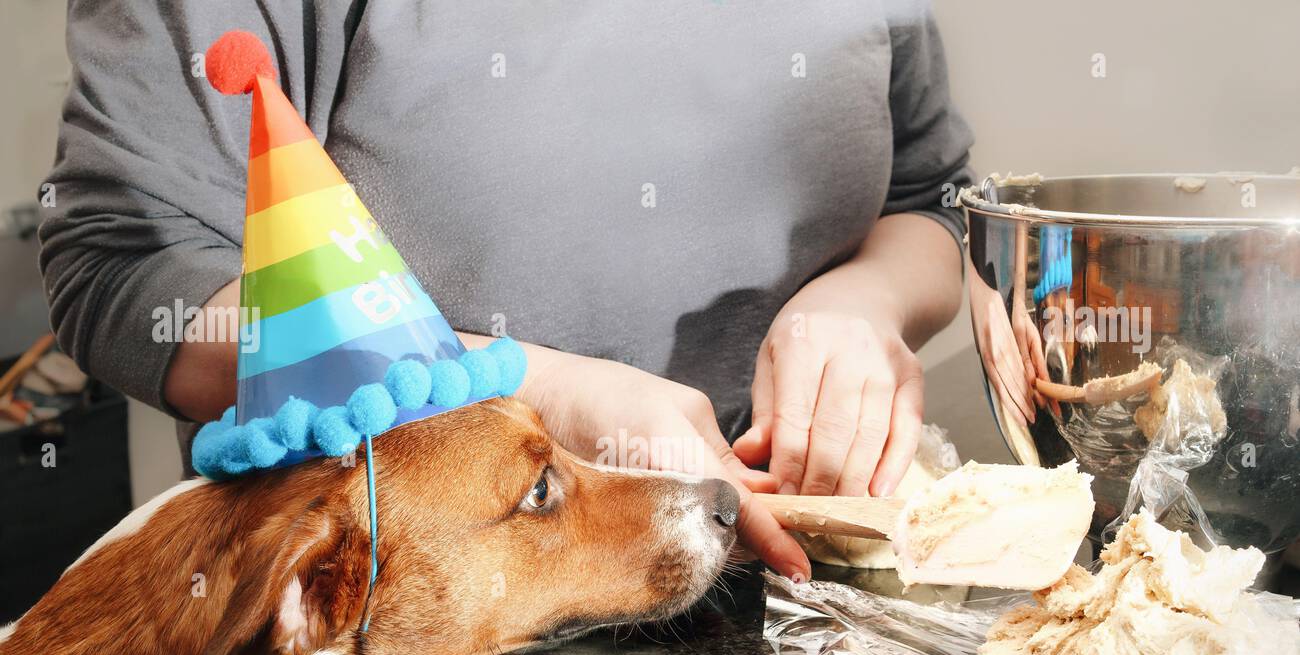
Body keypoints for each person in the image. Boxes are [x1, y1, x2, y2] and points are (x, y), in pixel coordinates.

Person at [39, 0, 973, 584]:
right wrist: (531, 391)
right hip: (416, 647)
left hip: (811, 601)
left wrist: (863, 301)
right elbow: (123, 266)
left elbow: (929, 200)